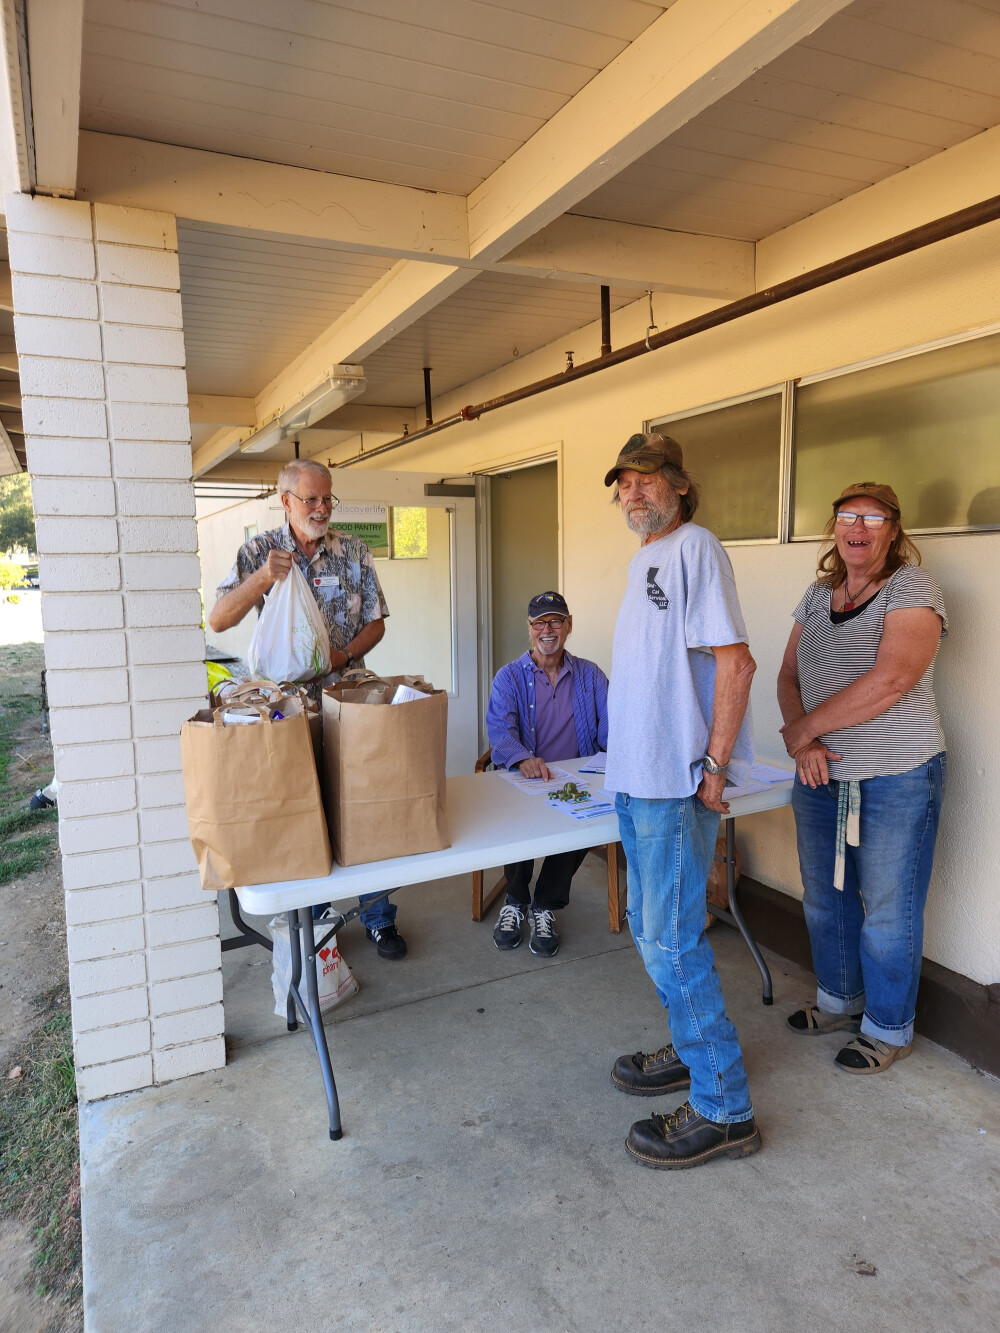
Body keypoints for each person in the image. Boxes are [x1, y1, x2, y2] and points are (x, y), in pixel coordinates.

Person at [602, 432, 761, 1170]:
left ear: (680, 485)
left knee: (672, 940)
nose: (633, 493)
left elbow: (736, 661)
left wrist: (716, 768)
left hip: (674, 783)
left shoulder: (696, 548)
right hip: (637, 781)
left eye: (646, 480)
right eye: (624, 484)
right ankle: (694, 1048)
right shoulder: (644, 560)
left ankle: (724, 1104)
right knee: (650, 928)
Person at [777, 482, 947, 1073]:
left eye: (873, 518)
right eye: (848, 515)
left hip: (895, 774)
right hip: (820, 771)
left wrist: (802, 732)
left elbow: (893, 679)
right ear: (835, 527)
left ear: (893, 531)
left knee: (888, 906)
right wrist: (806, 740)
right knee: (825, 896)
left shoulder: (910, 588)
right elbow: (788, 674)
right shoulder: (817, 594)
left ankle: (888, 1027)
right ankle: (840, 1000)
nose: (859, 526)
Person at [207, 458, 407, 961]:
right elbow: (219, 619)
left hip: (350, 701)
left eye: (327, 499)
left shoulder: (353, 551)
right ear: (286, 501)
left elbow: (377, 622)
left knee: (365, 808)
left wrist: (341, 656)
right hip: (287, 715)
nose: (321, 509)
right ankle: (318, 925)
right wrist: (260, 581)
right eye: (311, 499)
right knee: (304, 811)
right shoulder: (258, 550)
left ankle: (379, 918)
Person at [485, 592, 609, 957]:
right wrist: (522, 758)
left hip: (577, 778)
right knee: (517, 818)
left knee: (590, 817)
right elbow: (499, 731)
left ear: (569, 625)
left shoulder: (591, 675)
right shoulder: (508, 677)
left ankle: (545, 905)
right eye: (539, 622)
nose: (547, 629)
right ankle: (516, 897)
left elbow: (612, 731)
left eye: (555, 621)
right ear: (529, 629)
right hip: (527, 778)